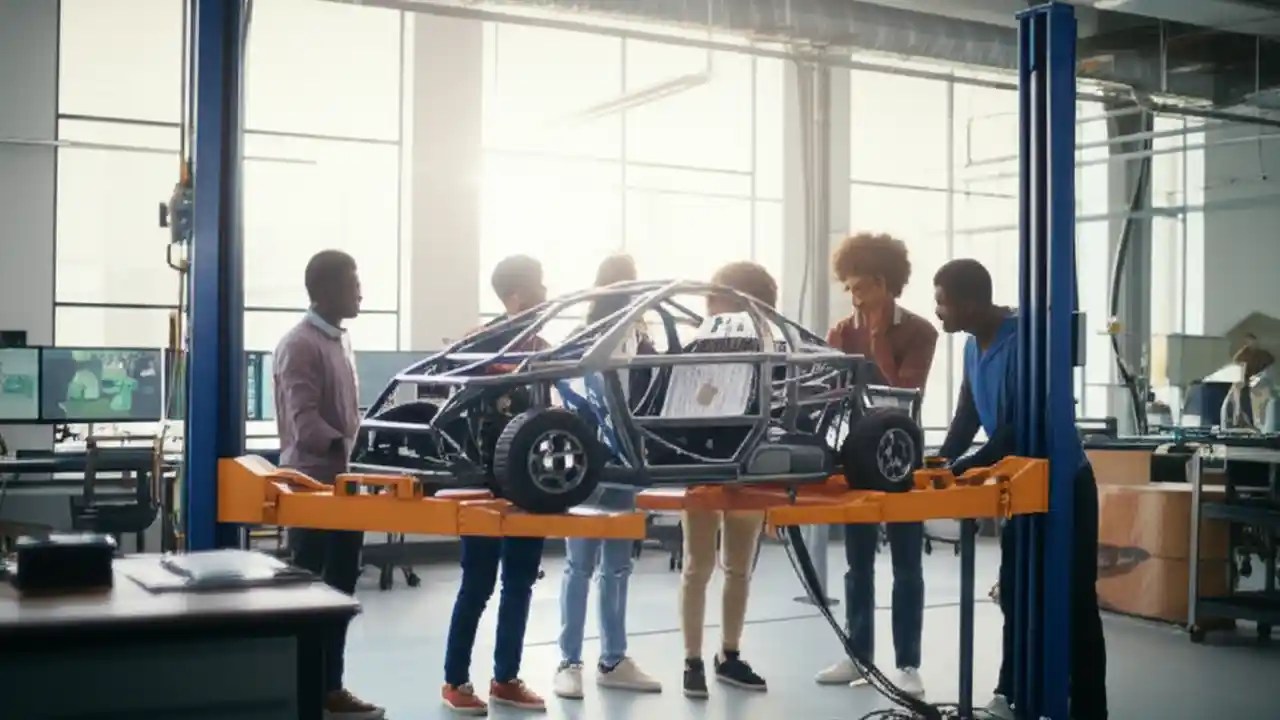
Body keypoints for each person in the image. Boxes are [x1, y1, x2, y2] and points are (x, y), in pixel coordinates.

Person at [931, 258, 1107, 720]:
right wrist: (938, 464)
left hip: (1064, 485)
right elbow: (967, 415)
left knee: (1074, 601)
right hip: (1020, 486)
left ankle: (1090, 710)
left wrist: (967, 467)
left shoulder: (1026, 339)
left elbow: (1016, 426)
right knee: (1014, 591)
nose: (938, 312)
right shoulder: (972, 346)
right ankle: (1009, 693)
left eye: (942, 302)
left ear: (969, 303)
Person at [815, 233, 938, 698]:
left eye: (860, 288)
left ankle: (907, 663)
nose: (853, 298)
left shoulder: (921, 332)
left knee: (908, 565)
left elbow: (903, 397)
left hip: (900, 458)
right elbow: (829, 395)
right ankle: (857, 656)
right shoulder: (840, 331)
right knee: (856, 564)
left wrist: (877, 337)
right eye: (848, 289)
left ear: (884, 284)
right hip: (854, 460)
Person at [274, 249, 383, 720]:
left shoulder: (339, 341)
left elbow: (345, 417)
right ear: (324, 291)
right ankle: (308, 691)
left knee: (339, 591)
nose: (360, 292)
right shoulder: (300, 345)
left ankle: (330, 688)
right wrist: (352, 449)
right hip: (312, 489)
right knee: (313, 594)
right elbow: (306, 425)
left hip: (345, 488)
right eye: (352, 283)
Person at [441, 254, 552, 715]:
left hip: (531, 484)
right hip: (484, 485)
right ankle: (454, 681)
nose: (547, 292)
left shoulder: (544, 347)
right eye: (539, 285)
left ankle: (506, 678)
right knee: (479, 582)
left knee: (521, 581)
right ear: (516, 296)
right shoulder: (479, 345)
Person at [553, 253, 662, 700]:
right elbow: (566, 389)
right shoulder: (584, 339)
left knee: (618, 565)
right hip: (585, 463)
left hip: (628, 464)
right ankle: (569, 661)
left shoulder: (643, 340)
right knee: (579, 564)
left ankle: (613, 658)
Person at [678, 261, 777, 699]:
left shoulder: (768, 344)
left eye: (714, 296)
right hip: (704, 464)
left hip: (748, 465)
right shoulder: (701, 344)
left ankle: (728, 655)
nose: (706, 303)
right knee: (698, 565)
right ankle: (693, 660)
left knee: (737, 567)